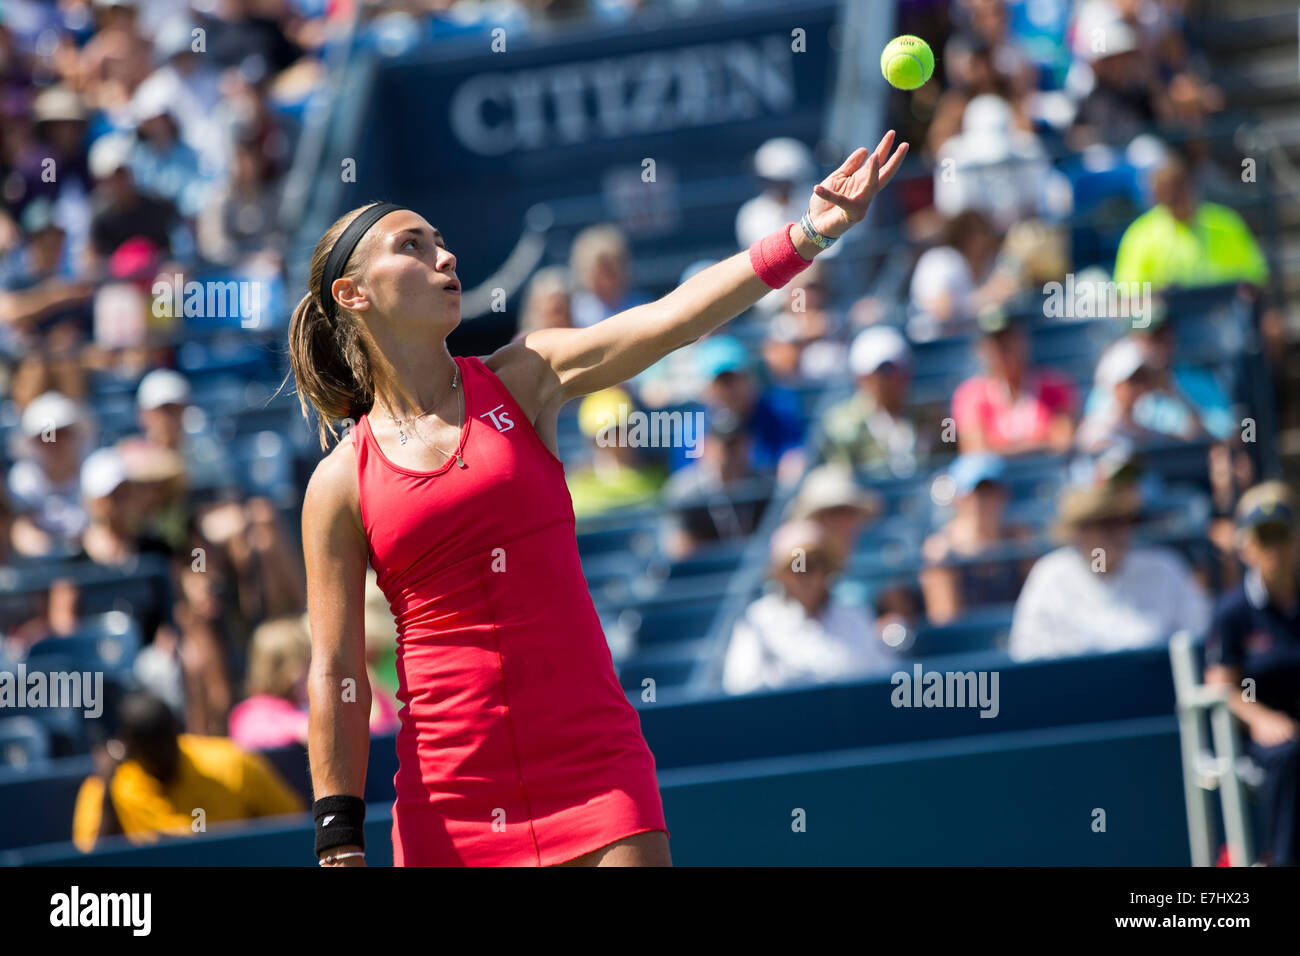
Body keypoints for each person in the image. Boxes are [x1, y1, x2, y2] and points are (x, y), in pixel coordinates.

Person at [288, 131, 910, 866]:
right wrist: (337, 840)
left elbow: (672, 319)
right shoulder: (338, 484)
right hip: (448, 800)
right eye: (413, 247)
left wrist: (807, 235)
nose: (444, 257)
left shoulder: (526, 375)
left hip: (594, 766)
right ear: (352, 294)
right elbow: (336, 672)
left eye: (442, 242)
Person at [72, 691, 305, 852]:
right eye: (153, 749)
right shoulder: (110, 785)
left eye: (168, 742)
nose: (164, 754)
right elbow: (92, 856)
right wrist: (107, 793)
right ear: (132, 749)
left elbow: (294, 825)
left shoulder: (231, 762)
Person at [1204, 482, 1300, 866]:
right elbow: (1222, 684)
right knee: (1289, 752)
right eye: (1264, 537)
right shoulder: (1233, 612)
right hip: (1264, 741)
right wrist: (1262, 719)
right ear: (1245, 546)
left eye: (1282, 535)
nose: (1274, 548)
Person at [1009, 480, 1210, 659]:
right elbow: (1027, 649)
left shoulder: (1165, 567)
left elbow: (1198, 632)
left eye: (1122, 521)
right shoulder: (1049, 576)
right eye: (1103, 524)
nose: (1116, 533)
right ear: (1079, 532)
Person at [722, 519, 899, 695]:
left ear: (826, 569)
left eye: (812, 564)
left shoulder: (856, 615)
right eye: (796, 565)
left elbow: (883, 674)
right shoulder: (757, 619)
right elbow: (741, 686)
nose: (804, 573)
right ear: (781, 574)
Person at [1113, 154, 1270, 292]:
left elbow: (1255, 275)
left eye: (1180, 190)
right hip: (1167, 323)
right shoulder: (1140, 235)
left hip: (1227, 315)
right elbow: (1128, 294)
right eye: (1170, 196)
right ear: (1157, 197)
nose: (1177, 199)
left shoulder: (1226, 221)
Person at [920, 453, 1033, 625]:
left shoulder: (1020, 541)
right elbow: (946, 623)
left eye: (990, 492)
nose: (981, 501)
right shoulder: (940, 551)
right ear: (958, 499)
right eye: (973, 493)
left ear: (1003, 496)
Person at [952, 309, 1077, 455]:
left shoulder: (1054, 385)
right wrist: (1038, 444)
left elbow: (1062, 443)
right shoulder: (969, 394)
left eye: (1009, 341)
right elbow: (976, 452)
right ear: (983, 349)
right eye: (997, 344)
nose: (1004, 351)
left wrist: (1000, 448)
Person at [818, 325, 935, 476]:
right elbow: (841, 477)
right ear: (860, 378)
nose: (885, 381)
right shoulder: (840, 426)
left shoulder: (931, 415)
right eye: (879, 373)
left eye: (891, 371)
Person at [565, 386, 667, 518]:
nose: (619, 439)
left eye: (622, 430)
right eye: (607, 434)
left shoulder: (659, 478)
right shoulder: (576, 489)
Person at [228, 615, 313, 751]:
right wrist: (301, 730)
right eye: (307, 667)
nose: (313, 674)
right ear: (291, 673)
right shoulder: (251, 713)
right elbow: (254, 733)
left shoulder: (301, 708)